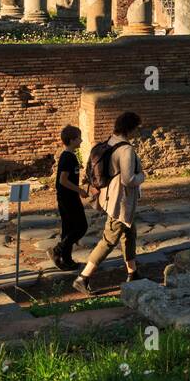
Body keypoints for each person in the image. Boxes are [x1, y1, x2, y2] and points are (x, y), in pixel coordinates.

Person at [75, 111, 146, 293]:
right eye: (136, 128)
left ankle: (133, 273)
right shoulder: (126, 150)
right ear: (130, 128)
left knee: (129, 234)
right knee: (109, 239)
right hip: (120, 202)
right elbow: (129, 179)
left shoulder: (109, 141)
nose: (137, 132)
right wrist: (142, 177)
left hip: (109, 197)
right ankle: (83, 277)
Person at [49, 125, 90, 271]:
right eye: (79, 138)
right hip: (68, 198)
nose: (82, 140)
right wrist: (79, 190)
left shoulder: (71, 156)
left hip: (67, 197)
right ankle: (58, 250)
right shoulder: (68, 157)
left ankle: (67, 260)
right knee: (81, 227)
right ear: (72, 140)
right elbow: (63, 180)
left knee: (68, 228)